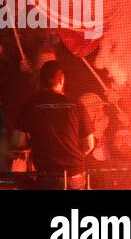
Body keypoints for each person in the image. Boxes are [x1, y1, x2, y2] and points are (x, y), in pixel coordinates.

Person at [13, 62, 94, 190]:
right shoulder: (76, 105)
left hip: (47, 175)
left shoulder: (30, 105)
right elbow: (89, 145)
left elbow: (17, 141)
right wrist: (70, 160)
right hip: (75, 175)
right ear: (61, 80)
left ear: (41, 81)